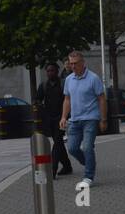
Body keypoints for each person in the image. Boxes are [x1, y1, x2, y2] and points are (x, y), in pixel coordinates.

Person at [60, 50, 106, 187]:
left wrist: (103, 119)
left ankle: (88, 177)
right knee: (72, 148)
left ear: (82, 63)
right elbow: (67, 100)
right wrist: (63, 117)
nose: (72, 66)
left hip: (90, 119)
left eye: (75, 63)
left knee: (87, 147)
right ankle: (89, 162)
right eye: (70, 64)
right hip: (74, 120)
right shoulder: (69, 80)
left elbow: (101, 99)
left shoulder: (93, 78)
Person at [36, 62, 70, 178]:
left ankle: (52, 169)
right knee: (58, 141)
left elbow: (68, 99)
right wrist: (40, 106)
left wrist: (66, 116)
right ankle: (67, 166)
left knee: (58, 142)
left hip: (61, 118)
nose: (50, 73)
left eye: (53, 70)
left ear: (57, 71)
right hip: (49, 118)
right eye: (48, 71)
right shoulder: (43, 86)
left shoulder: (63, 84)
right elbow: (38, 99)